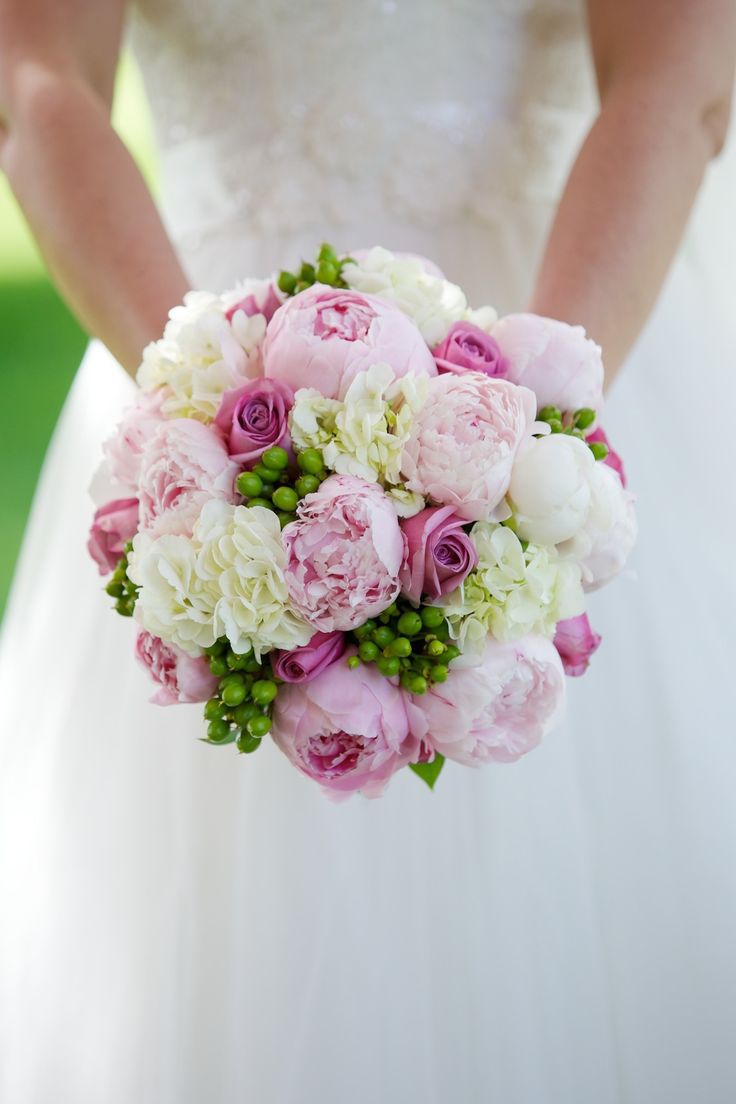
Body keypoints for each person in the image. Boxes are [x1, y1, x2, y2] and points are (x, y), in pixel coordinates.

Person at [0, 1, 734, 1101]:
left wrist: (523, 449)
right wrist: (207, 429)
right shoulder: (203, 414)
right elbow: (39, 84)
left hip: (562, 321)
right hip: (189, 343)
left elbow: (675, 85)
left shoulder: (535, 414)